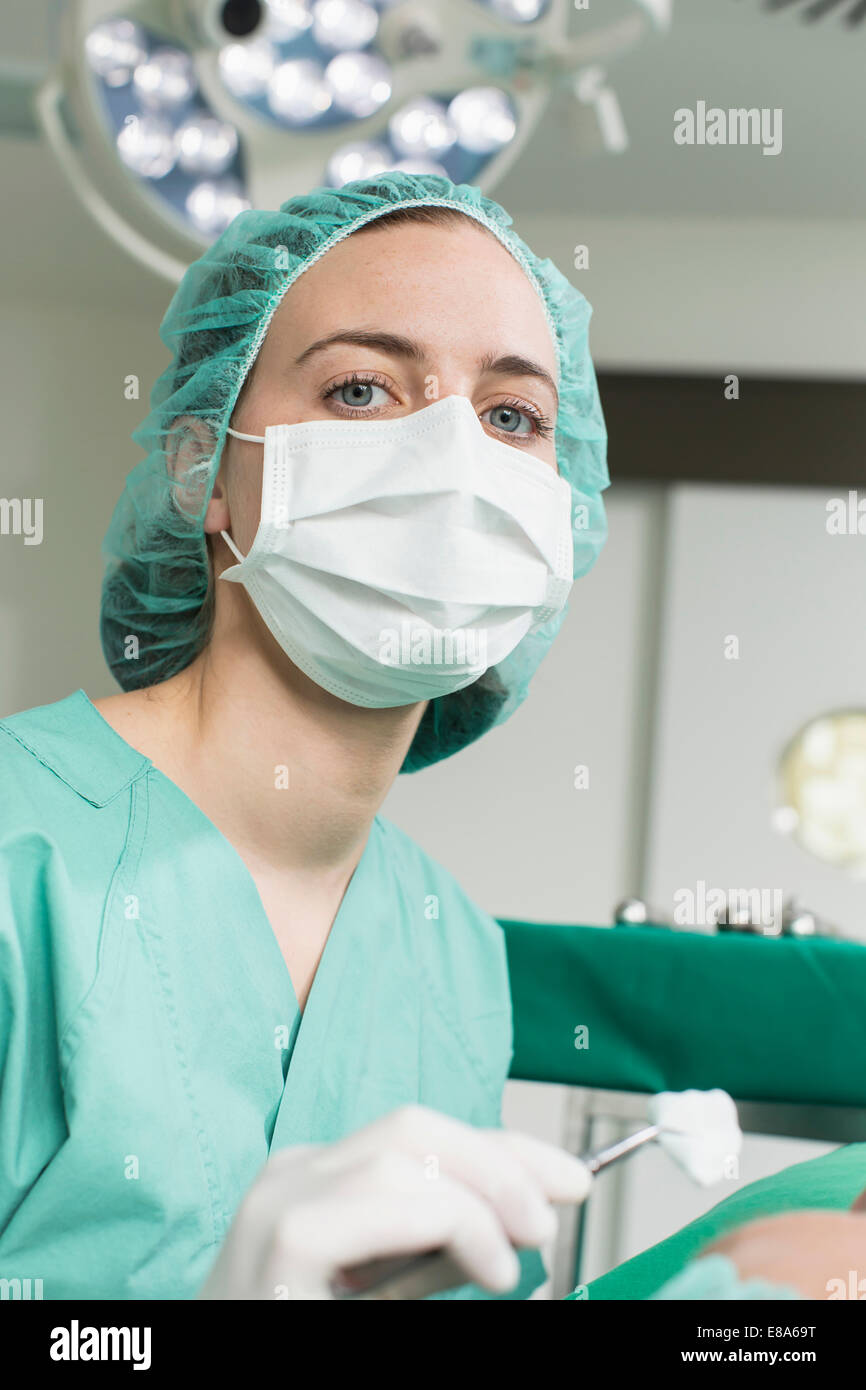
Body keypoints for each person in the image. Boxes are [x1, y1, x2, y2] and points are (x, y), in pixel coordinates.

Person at [0, 173, 608, 1301]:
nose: (453, 461)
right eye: (365, 389)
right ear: (201, 470)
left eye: (511, 416)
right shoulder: (17, 854)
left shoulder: (450, 947)